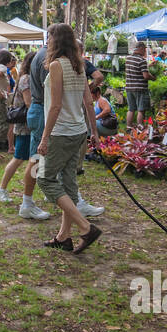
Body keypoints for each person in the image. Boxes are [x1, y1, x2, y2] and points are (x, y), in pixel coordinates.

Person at [36, 23, 103, 254]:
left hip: (61, 132)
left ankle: (85, 228)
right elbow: (88, 102)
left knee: (44, 179)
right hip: (78, 132)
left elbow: (54, 106)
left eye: (49, 37)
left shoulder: (56, 66)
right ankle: (63, 237)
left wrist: (44, 138)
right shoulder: (79, 65)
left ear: (57, 40)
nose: (47, 41)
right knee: (69, 184)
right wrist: (93, 132)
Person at [0, 52, 36, 203]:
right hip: (25, 126)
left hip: (27, 125)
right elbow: (29, 103)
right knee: (18, 159)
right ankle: (1, 188)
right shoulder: (27, 79)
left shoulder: (26, 77)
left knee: (34, 159)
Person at [18, 43, 52, 221]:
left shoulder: (41, 55)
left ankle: (44, 194)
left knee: (40, 159)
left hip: (39, 111)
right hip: (40, 112)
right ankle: (27, 203)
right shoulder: (45, 58)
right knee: (36, 159)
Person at [124, 40, 153, 129]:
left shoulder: (128, 58)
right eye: (144, 49)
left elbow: (136, 69)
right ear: (140, 49)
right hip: (140, 88)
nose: (145, 51)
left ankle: (128, 126)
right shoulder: (142, 60)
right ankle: (140, 128)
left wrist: (149, 65)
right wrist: (153, 77)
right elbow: (145, 76)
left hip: (129, 87)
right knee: (141, 109)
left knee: (131, 109)